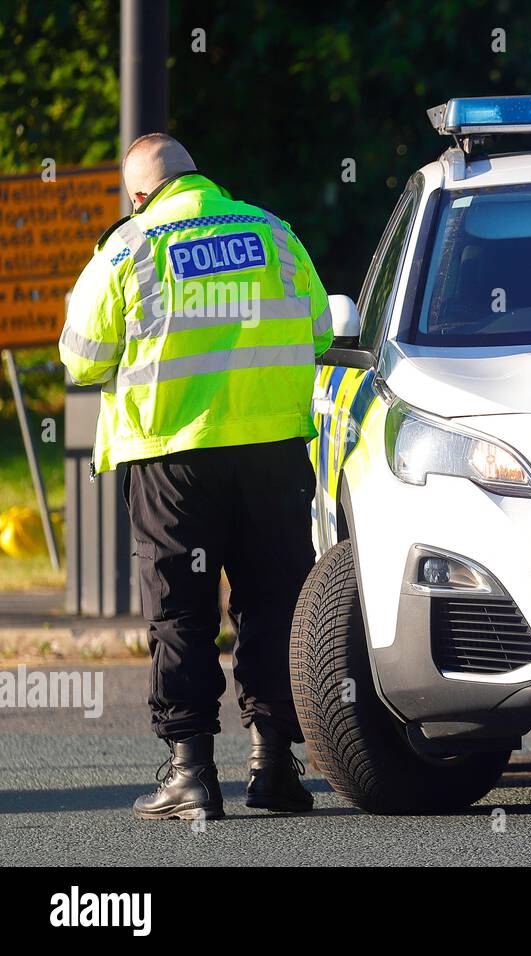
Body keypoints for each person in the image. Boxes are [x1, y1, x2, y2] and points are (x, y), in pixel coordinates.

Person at [59, 133, 333, 820]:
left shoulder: (129, 247)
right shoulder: (273, 231)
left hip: (171, 456)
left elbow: (83, 358)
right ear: (198, 178)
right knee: (274, 602)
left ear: (139, 194)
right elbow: (322, 332)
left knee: (181, 610)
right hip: (271, 452)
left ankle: (190, 775)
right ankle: (275, 767)